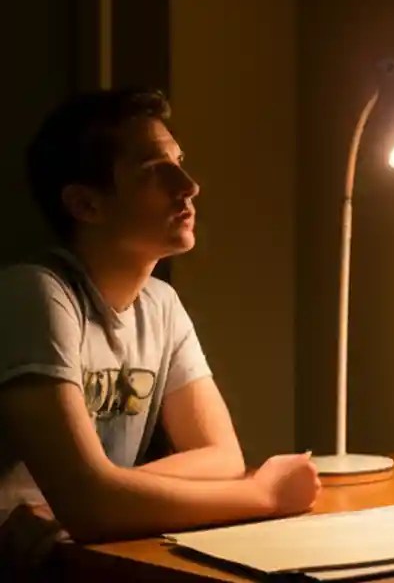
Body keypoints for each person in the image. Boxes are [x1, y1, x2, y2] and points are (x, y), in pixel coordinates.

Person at [0, 89, 320, 577]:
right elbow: (92, 508)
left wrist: (107, 489)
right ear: (86, 203)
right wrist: (266, 494)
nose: (188, 186)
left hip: (77, 554)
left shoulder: (160, 304)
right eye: (154, 170)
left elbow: (221, 456)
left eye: (180, 162)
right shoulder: (35, 293)